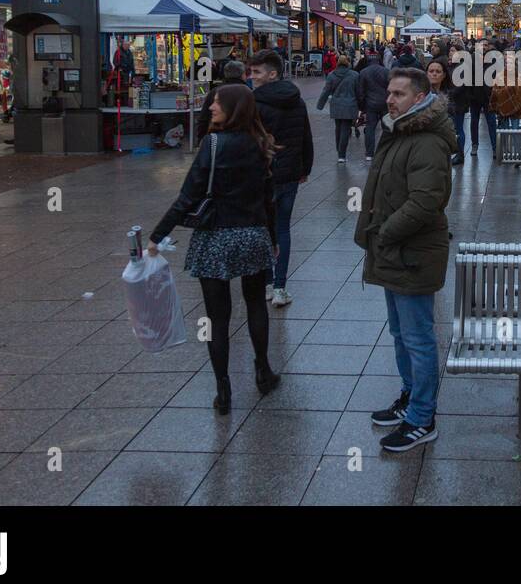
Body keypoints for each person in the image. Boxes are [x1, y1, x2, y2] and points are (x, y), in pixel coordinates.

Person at [147, 83, 280, 414]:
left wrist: (157, 235)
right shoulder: (259, 143)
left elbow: (188, 195)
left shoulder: (213, 143)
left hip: (216, 237)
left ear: (233, 108)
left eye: (218, 104)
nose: (211, 108)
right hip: (252, 234)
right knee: (255, 305)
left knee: (218, 318)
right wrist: (273, 238)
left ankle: (224, 390)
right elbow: (268, 198)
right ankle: (263, 370)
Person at [355, 67, 458, 451]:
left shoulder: (426, 140)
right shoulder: (401, 129)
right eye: (389, 93)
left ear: (419, 97)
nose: (390, 99)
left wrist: (386, 231)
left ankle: (422, 417)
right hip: (394, 250)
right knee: (400, 333)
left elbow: (427, 200)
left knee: (417, 337)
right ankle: (410, 398)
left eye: (398, 93)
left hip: (411, 251)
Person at [250, 50, 313, 308]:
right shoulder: (296, 101)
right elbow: (306, 137)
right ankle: (279, 287)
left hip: (261, 175)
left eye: (256, 72)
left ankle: (266, 282)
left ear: (272, 73)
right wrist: (304, 169)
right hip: (289, 174)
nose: (251, 77)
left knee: (264, 227)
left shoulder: (253, 103)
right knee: (283, 228)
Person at [317, 56, 361, 162]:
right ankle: (342, 155)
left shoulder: (332, 75)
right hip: (350, 105)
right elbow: (359, 92)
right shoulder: (355, 75)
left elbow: (326, 91)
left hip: (336, 104)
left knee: (338, 128)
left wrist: (320, 105)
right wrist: (362, 106)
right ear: (348, 63)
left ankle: (339, 151)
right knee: (345, 129)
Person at [196, 59, 248, 139]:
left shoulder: (215, 92)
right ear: (243, 75)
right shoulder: (247, 92)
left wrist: (202, 139)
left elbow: (204, 118)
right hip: (242, 137)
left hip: (216, 137)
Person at [357, 53, 391, 161]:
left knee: (370, 128)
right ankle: (386, 151)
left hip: (370, 104)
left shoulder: (363, 72)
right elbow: (390, 88)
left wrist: (362, 107)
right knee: (387, 128)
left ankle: (369, 154)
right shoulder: (386, 71)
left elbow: (361, 92)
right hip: (385, 103)